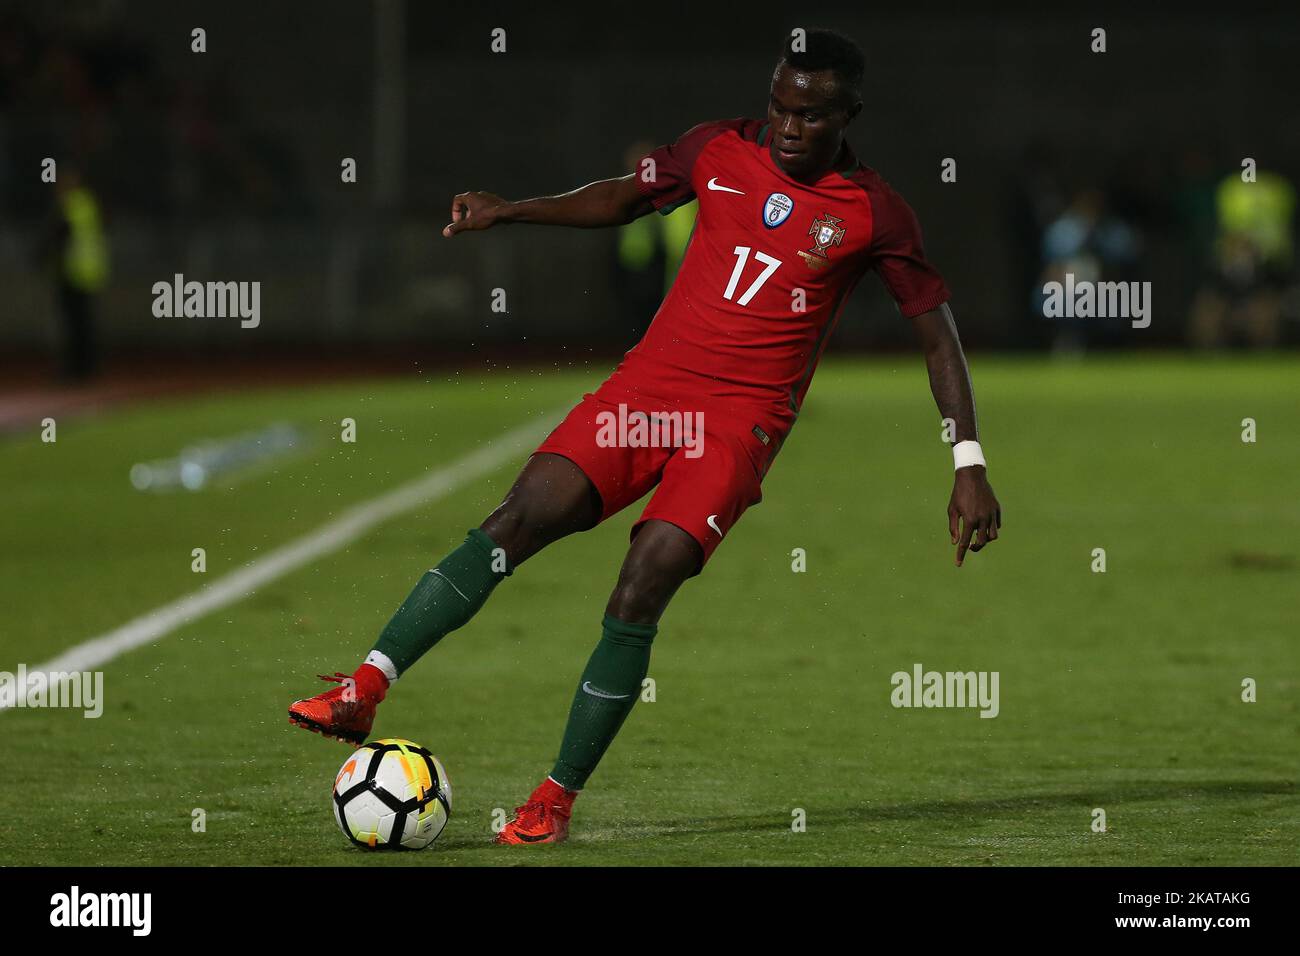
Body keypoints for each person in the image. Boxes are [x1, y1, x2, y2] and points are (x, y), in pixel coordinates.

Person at [289, 29, 1001, 845]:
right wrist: (513, 209)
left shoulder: (876, 212)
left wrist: (967, 462)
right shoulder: (718, 148)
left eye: (809, 114)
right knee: (517, 519)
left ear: (849, 115)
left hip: (738, 423)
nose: (788, 125)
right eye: (779, 105)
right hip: (651, 391)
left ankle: (552, 799)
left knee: (643, 579)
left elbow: (938, 335)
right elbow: (624, 196)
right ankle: (363, 689)